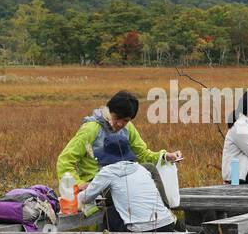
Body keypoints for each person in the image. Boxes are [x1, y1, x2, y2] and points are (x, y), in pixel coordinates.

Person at [56, 90, 183, 225]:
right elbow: (65, 160)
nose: (120, 124)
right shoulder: (91, 129)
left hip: (122, 177)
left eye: (126, 120)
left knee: (150, 168)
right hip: (98, 183)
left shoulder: (128, 129)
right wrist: (78, 183)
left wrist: (165, 156)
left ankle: (166, 213)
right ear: (108, 111)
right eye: (117, 118)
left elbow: (143, 154)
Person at [76, 133, 182, 232]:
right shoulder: (142, 169)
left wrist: (76, 194)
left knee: (110, 214)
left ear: (106, 154)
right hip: (167, 223)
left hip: (142, 229)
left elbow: (85, 198)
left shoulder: (108, 171)